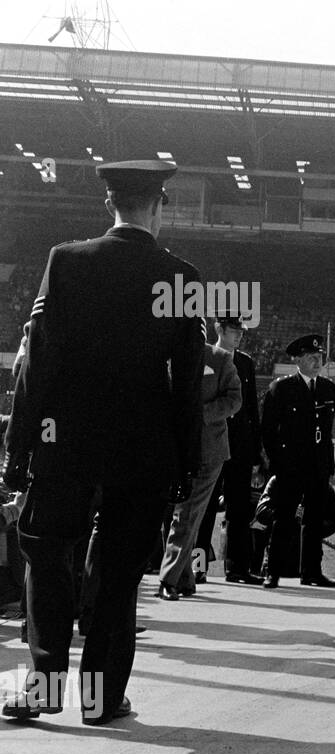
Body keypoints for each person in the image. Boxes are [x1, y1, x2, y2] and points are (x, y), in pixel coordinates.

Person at [1, 159, 205, 725]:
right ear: (160, 205)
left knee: (46, 561)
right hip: (141, 451)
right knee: (117, 574)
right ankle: (99, 699)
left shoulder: (65, 261)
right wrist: (187, 464)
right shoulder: (183, 279)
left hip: (64, 443)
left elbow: (35, 368)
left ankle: (43, 687)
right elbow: (186, 384)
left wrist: (18, 452)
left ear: (107, 204)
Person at [156, 339, 242, 600]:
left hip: (207, 450)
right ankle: (184, 578)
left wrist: (198, 414)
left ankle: (168, 578)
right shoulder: (161, 355)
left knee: (187, 513)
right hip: (172, 449)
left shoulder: (219, 358)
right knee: (177, 514)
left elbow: (234, 399)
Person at [260, 333, 335, 589]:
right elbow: (269, 430)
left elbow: (326, 433)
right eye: (312, 358)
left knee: (313, 521)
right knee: (283, 520)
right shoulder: (282, 388)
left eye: (320, 358)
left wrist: (329, 466)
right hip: (290, 467)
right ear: (299, 360)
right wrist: (278, 463)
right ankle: (273, 572)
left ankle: (312, 572)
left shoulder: (328, 388)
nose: (318, 362)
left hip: (317, 466)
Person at [196, 313, 264, 585]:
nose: (239, 334)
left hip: (239, 447)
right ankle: (197, 567)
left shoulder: (245, 362)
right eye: (234, 329)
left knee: (239, 510)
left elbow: (250, 410)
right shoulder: (205, 356)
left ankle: (237, 568)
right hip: (212, 443)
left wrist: (256, 451)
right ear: (218, 328)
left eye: (241, 331)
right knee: (205, 508)